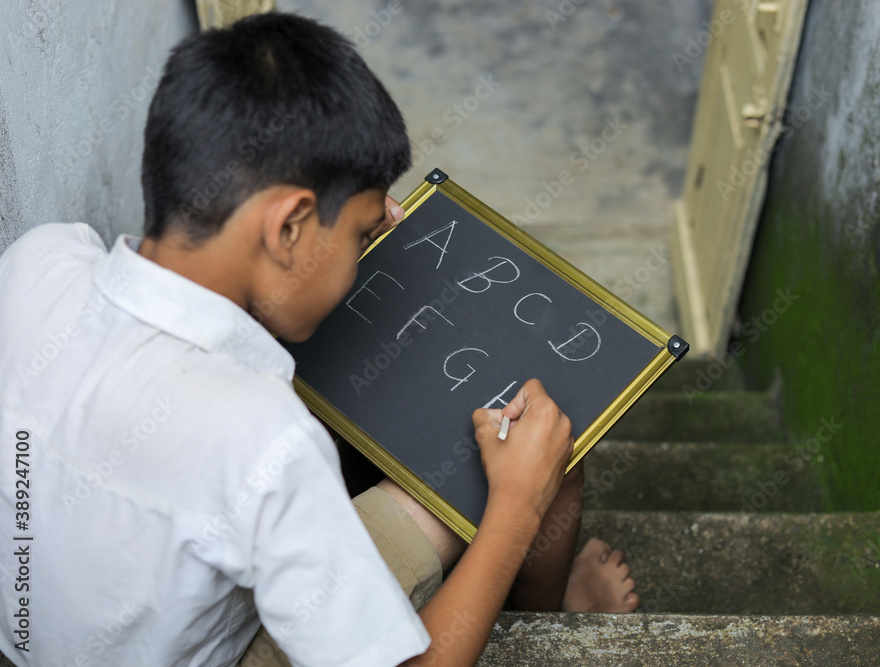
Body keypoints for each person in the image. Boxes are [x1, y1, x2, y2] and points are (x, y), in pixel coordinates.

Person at [0, 13, 637, 667]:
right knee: (535, 452)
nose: (367, 256)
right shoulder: (265, 438)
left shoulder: (38, 260)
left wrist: (328, 247)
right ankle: (549, 627)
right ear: (288, 229)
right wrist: (516, 511)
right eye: (363, 235)